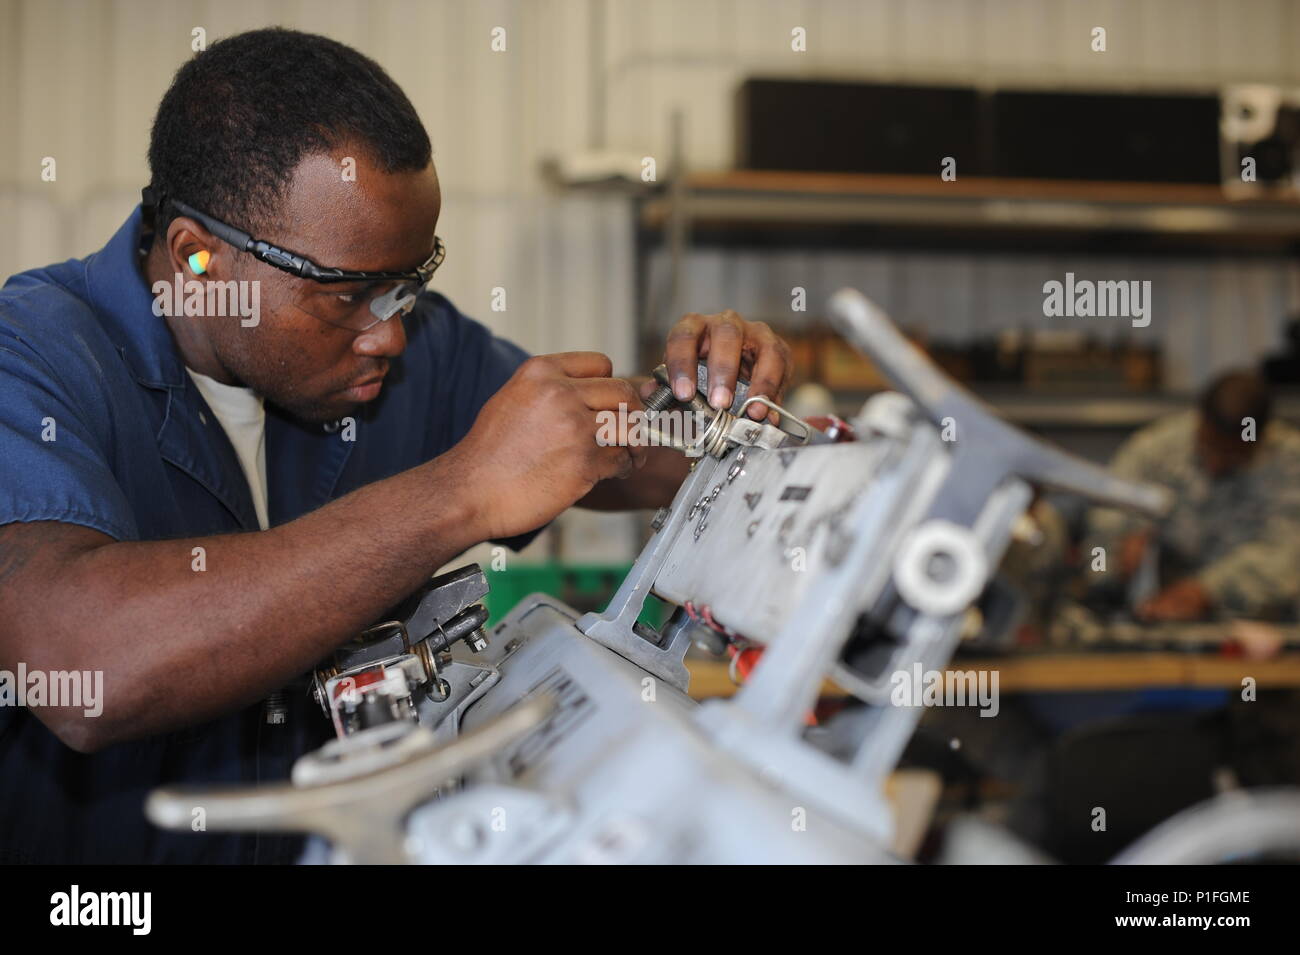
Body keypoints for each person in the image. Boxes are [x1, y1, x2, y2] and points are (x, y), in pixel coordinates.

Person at [0, 29, 792, 863]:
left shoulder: (412, 357)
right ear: (199, 256)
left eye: (411, 282)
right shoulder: (38, 359)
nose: (390, 335)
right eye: (351, 294)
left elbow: (603, 446)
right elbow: (88, 665)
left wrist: (706, 402)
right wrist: (459, 493)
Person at [1084, 369, 1300, 623]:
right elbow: (1102, 522)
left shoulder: (1289, 462)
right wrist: (1115, 561)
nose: (1216, 465)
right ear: (1199, 420)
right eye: (1209, 446)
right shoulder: (1153, 450)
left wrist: (1208, 590)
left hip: (1258, 627)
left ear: (1260, 437)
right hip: (1149, 619)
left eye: (1233, 454)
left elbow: (1285, 553)